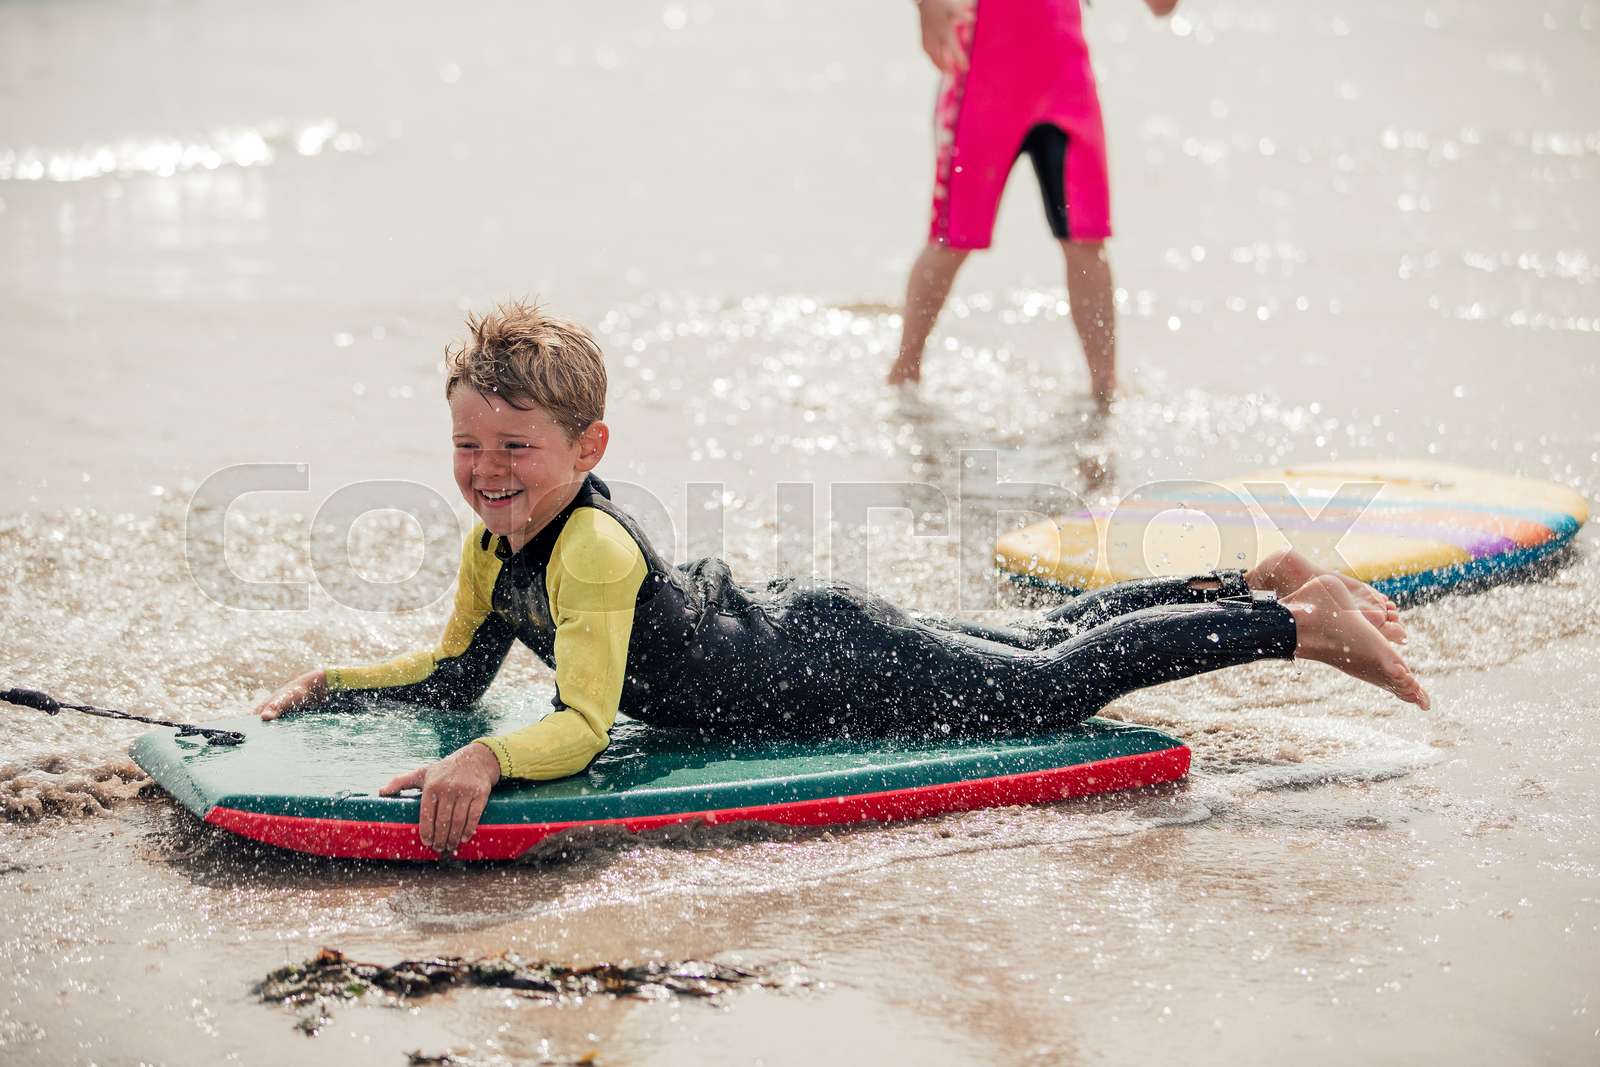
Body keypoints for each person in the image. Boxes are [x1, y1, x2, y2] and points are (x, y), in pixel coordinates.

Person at [256, 303, 1428, 856]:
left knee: (1043, 687)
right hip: (800, 633)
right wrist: (337, 684)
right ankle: (1254, 575)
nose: (486, 473)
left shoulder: (594, 551)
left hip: (818, 663)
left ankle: (1286, 621)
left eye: (515, 448)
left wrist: (488, 757)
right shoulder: (487, 549)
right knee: (1026, 646)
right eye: (468, 447)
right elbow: (459, 670)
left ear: (587, 451)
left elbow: (577, 722)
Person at [886, 0, 1180, 399]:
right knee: (952, 239)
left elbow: (1162, 7)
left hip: (1065, 82)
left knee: (1087, 240)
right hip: (981, 78)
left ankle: (1104, 389)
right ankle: (906, 371)